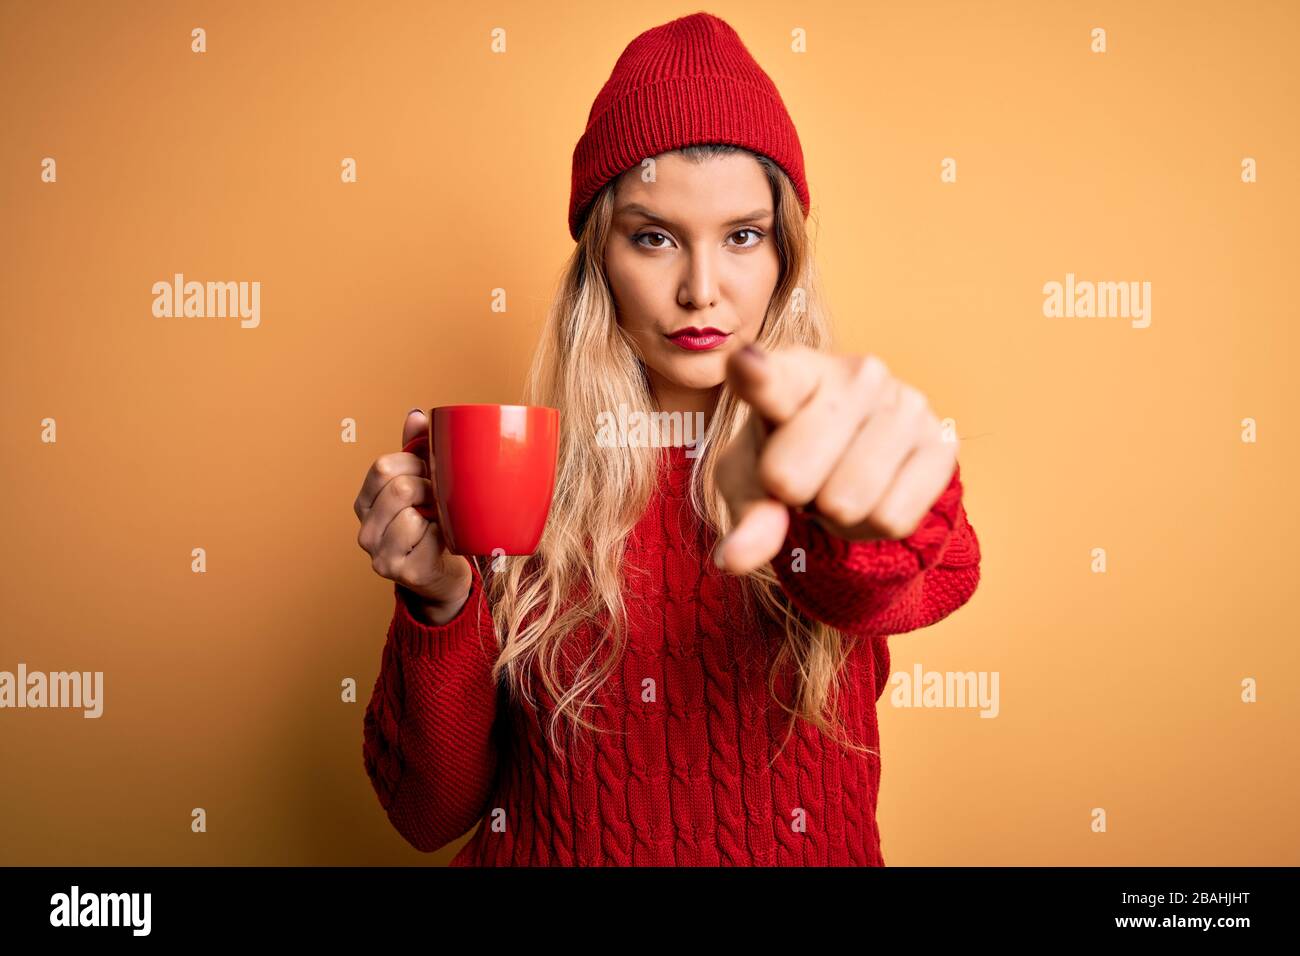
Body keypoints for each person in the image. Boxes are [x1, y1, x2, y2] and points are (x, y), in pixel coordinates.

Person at [353, 11, 980, 866]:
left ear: (784, 261)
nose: (700, 289)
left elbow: (925, 571)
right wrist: (441, 602)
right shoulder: (512, 487)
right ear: (599, 262)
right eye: (653, 237)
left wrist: (854, 506)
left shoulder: (827, 456)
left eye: (743, 237)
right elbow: (429, 816)